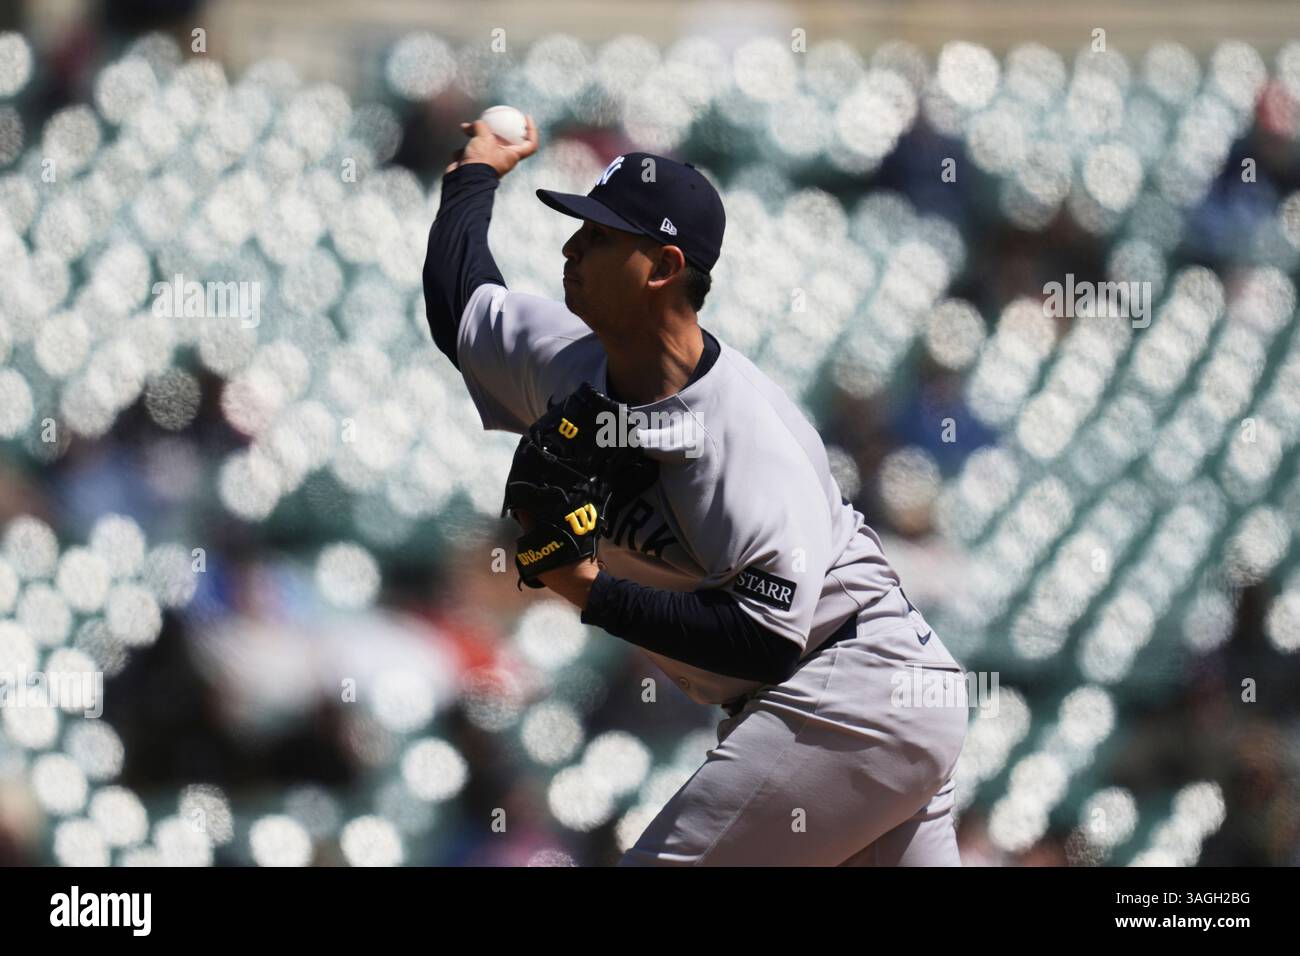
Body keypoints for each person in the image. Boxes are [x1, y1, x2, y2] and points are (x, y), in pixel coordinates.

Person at [422, 117, 969, 865]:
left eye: (600, 239)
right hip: (847, 701)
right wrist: (474, 173)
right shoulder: (567, 363)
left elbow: (761, 638)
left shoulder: (740, 434)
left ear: (662, 267)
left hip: (851, 686)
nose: (569, 250)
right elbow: (462, 305)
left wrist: (584, 588)